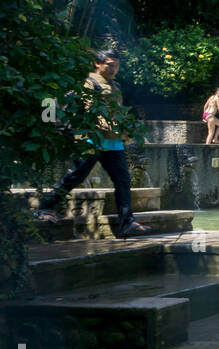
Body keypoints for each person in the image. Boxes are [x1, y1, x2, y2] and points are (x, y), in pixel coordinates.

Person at [34, 49, 151, 238]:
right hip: (92, 139)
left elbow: (117, 111)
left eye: (116, 65)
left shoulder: (116, 86)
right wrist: (110, 127)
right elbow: (90, 110)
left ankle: (127, 222)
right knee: (76, 176)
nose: (113, 69)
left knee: (123, 181)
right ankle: (46, 205)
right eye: (109, 64)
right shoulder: (89, 83)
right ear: (97, 63)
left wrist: (125, 129)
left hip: (114, 143)